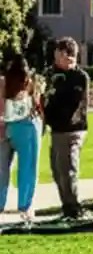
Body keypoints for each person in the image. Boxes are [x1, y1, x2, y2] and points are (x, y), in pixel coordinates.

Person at [42, 37, 90, 219]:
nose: (55, 56)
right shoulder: (51, 74)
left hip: (72, 129)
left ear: (66, 55)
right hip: (56, 129)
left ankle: (73, 206)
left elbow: (73, 104)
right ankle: (66, 205)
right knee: (57, 169)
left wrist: (52, 105)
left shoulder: (79, 77)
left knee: (68, 169)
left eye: (58, 53)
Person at [0, 57, 43, 223]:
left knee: (2, 169)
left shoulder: (3, 83)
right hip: (27, 126)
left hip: (5, 127)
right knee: (28, 167)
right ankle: (25, 204)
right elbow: (37, 105)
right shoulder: (31, 83)